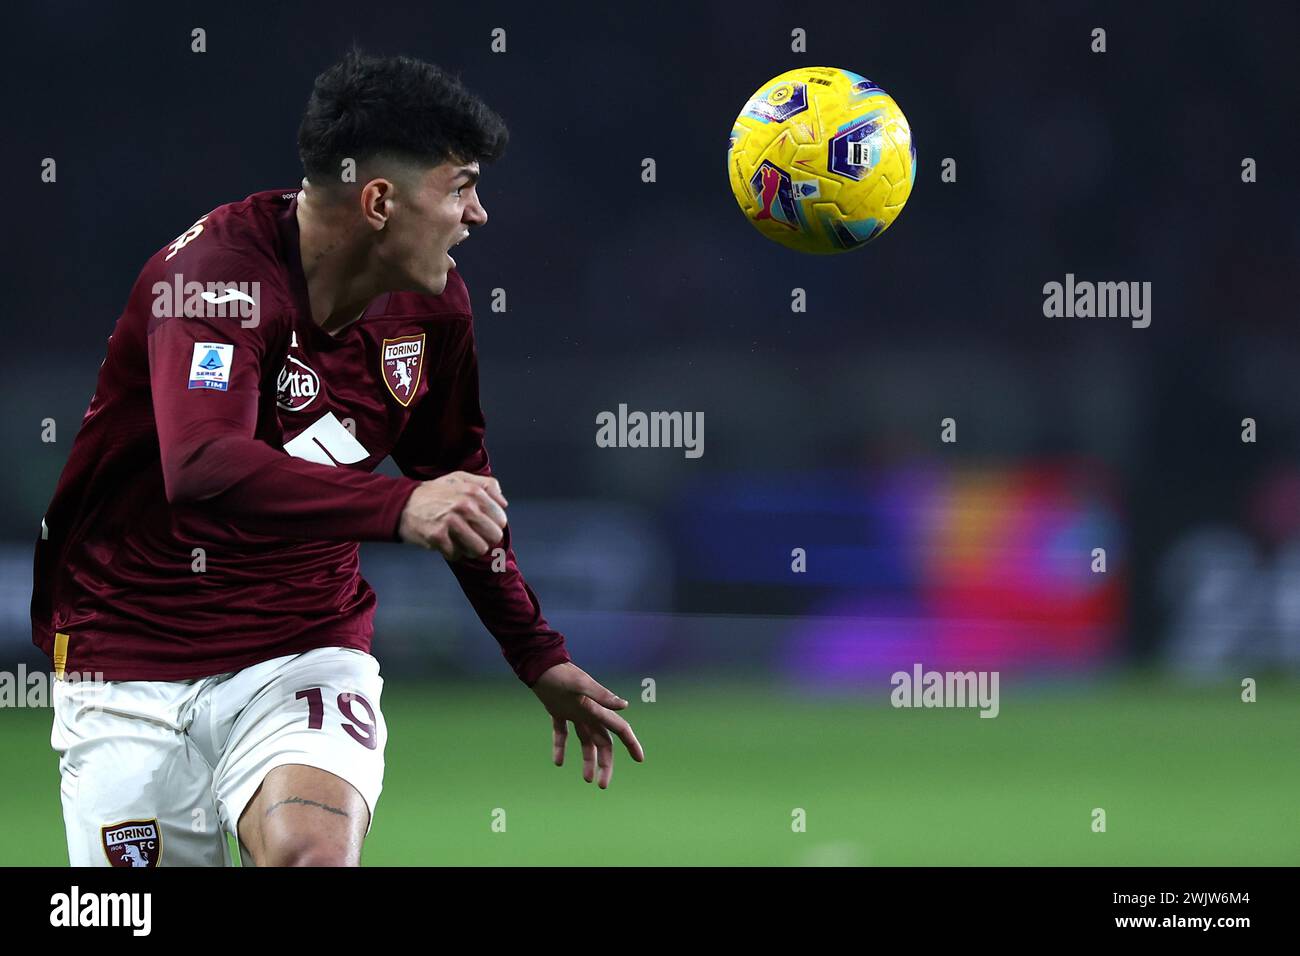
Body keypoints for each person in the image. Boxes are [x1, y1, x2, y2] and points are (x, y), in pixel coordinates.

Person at [32, 50, 643, 867]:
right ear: (381, 199)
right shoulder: (214, 281)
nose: (478, 214)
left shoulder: (432, 308)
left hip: (300, 649)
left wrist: (536, 652)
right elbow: (203, 465)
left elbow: (459, 489)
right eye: (461, 186)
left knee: (311, 857)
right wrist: (398, 507)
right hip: (127, 663)